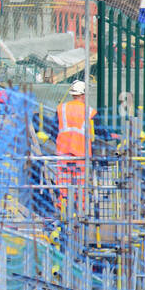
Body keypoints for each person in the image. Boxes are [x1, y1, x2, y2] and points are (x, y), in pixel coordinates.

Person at [55, 80, 95, 214]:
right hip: (81, 156)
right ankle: (81, 216)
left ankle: (63, 215)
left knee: (63, 186)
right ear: (84, 95)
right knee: (81, 187)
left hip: (64, 154)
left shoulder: (61, 109)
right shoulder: (89, 111)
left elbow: (53, 128)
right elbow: (100, 132)